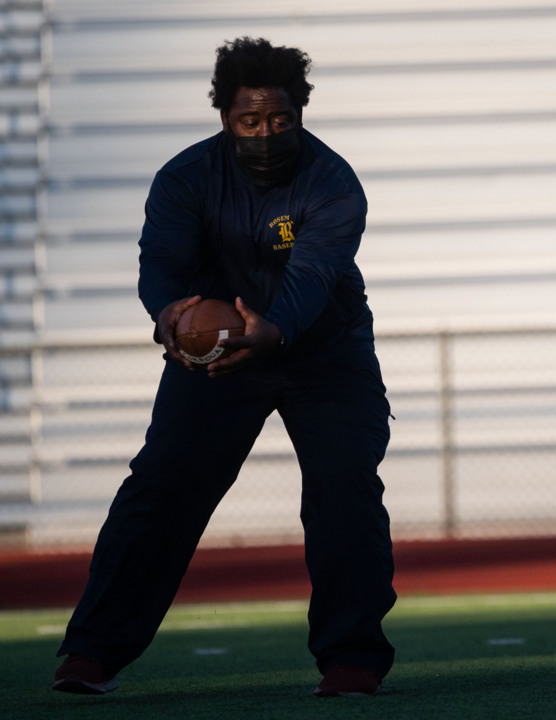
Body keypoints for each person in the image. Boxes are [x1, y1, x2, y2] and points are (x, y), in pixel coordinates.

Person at [52, 37, 396, 696]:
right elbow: (162, 266)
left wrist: (273, 328)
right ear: (223, 119)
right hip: (214, 356)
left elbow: (315, 272)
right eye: (249, 121)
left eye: (279, 120)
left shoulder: (333, 182)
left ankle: (351, 656)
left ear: (300, 113)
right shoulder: (184, 179)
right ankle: (93, 651)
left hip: (323, 350)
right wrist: (169, 317)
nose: (266, 133)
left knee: (345, 487)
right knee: (162, 485)